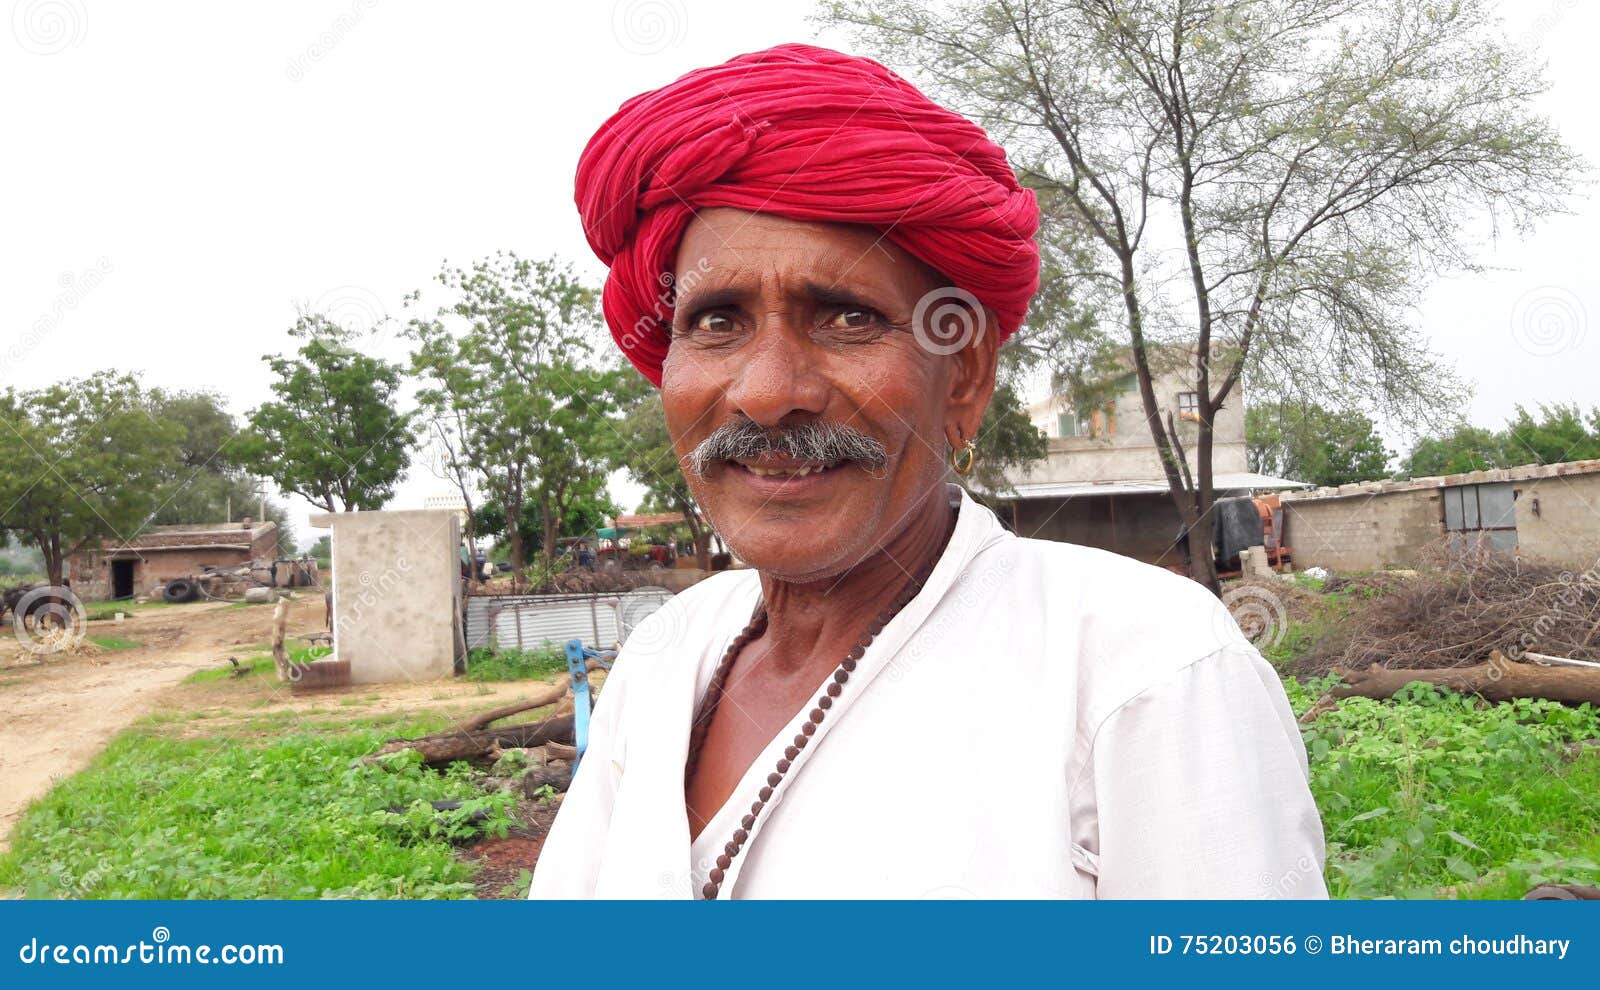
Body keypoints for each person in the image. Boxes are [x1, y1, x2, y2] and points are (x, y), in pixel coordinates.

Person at [530, 44, 1325, 899]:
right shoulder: (662, 657)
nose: (765, 395)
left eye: (846, 318)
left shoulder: (1147, 670)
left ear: (967, 375)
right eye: (717, 320)